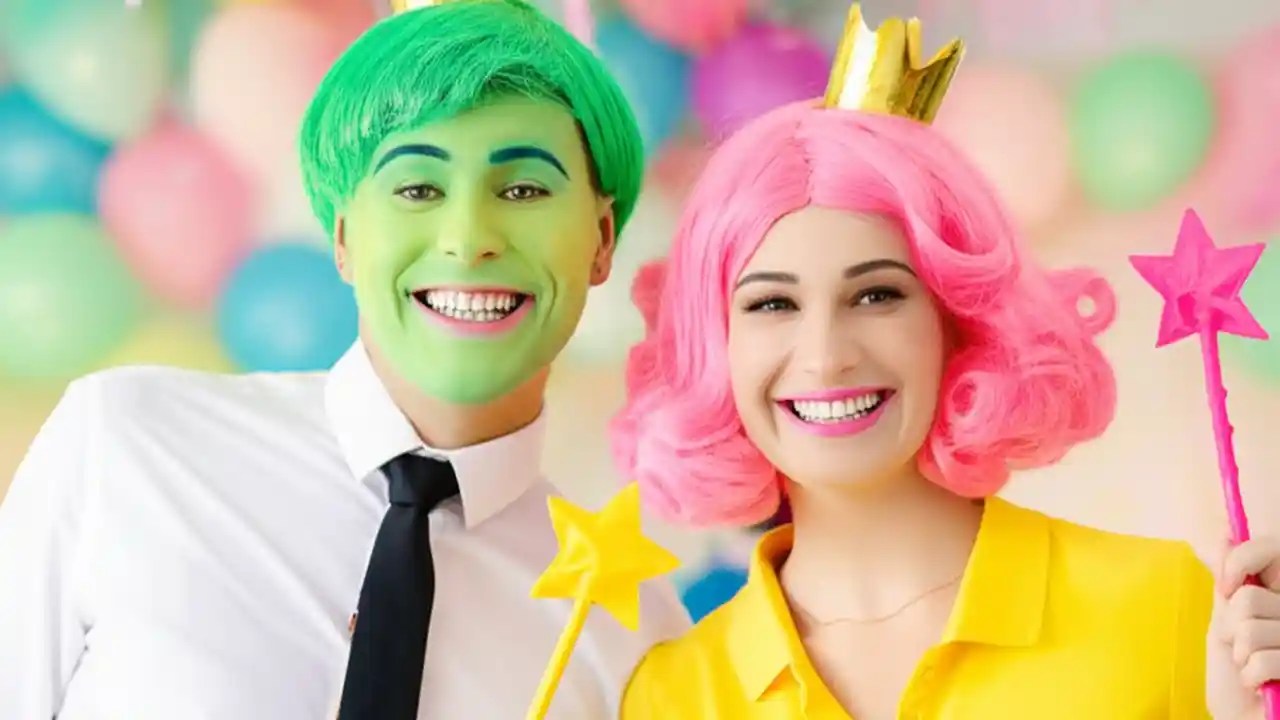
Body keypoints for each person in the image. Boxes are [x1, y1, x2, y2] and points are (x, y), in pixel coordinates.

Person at [0, 1, 688, 718]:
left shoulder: (633, 627)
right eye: (418, 187)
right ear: (344, 237)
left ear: (602, 239)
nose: (467, 238)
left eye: (523, 189)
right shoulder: (121, 444)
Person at [610, 5, 1280, 718]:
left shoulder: (1170, 609)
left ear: (955, 319)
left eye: (876, 295)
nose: (827, 355)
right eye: (772, 305)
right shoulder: (670, 697)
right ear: (716, 349)